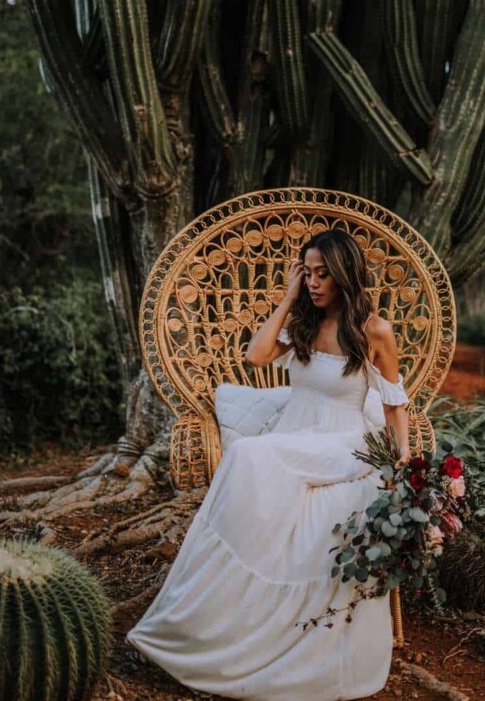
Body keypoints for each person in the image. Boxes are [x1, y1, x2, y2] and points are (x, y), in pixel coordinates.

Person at [126, 228, 411, 700]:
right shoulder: (301, 323)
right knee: (256, 464)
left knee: (243, 452)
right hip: (294, 437)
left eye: (323, 274)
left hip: (341, 442)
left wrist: (401, 455)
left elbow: (395, 401)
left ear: (345, 274)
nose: (315, 282)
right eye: (309, 273)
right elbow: (254, 356)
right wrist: (287, 296)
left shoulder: (373, 330)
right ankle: (222, 602)